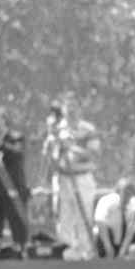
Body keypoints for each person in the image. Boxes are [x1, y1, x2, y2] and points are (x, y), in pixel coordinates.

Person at [42, 96, 99, 260]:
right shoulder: (57, 130)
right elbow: (50, 157)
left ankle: (86, 252)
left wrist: (72, 148)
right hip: (63, 178)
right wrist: (53, 145)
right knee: (64, 216)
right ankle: (65, 251)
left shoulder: (88, 129)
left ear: (80, 109)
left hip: (82, 177)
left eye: (74, 106)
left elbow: (93, 154)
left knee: (84, 216)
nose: (71, 110)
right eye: (68, 107)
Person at [0, 105, 30, 252]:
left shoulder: (15, 137)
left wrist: (1, 143)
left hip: (14, 189)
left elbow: (17, 153)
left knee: (18, 226)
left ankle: (21, 252)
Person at [93, 178, 135, 258]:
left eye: (129, 194)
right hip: (106, 237)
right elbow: (100, 222)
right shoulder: (107, 201)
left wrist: (124, 248)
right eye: (125, 192)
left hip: (122, 239)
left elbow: (131, 227)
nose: (127, 197)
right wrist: (108, 246)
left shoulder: (133, 203)